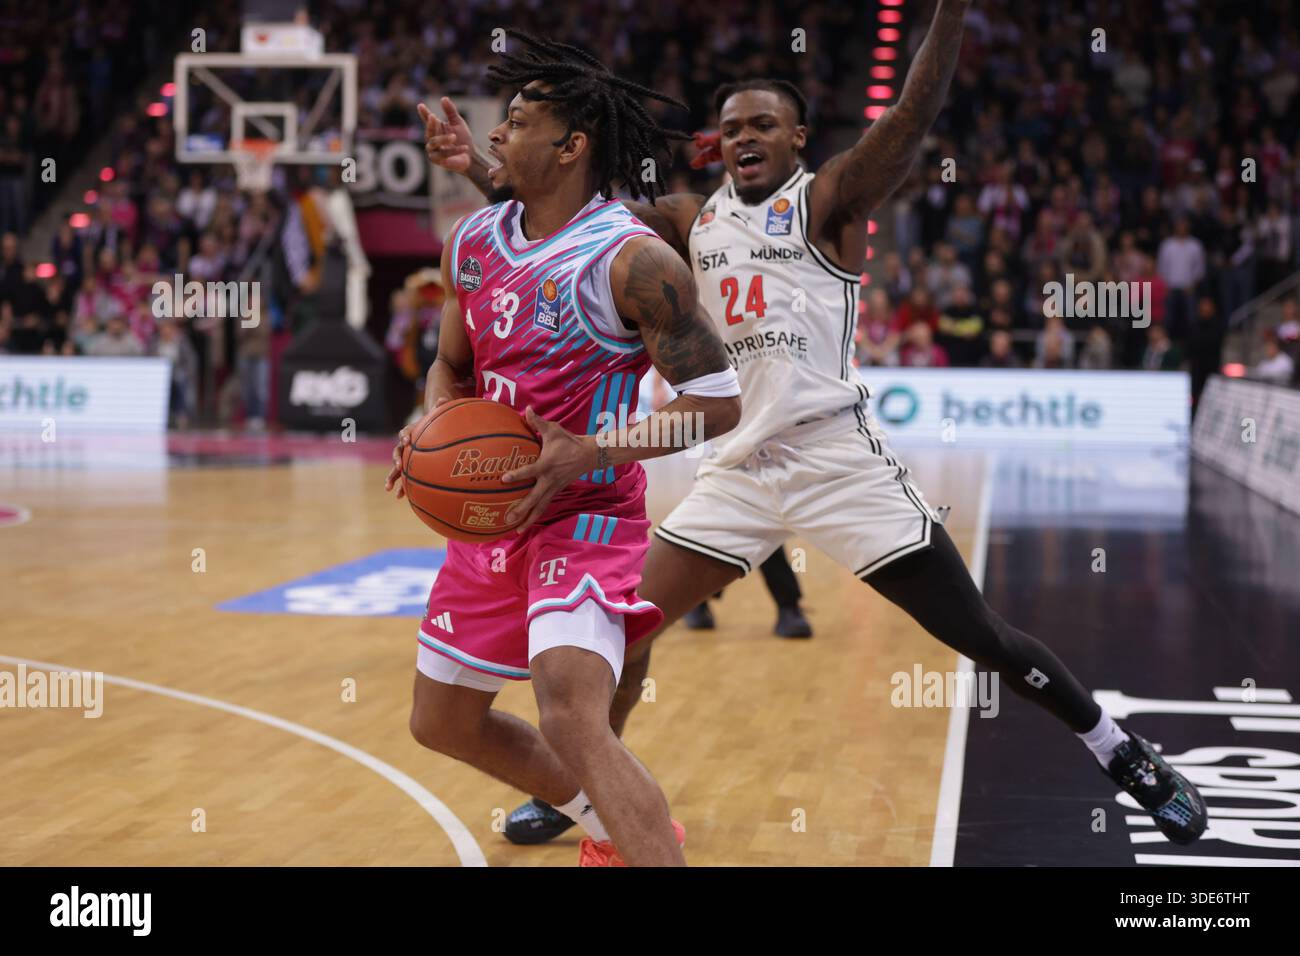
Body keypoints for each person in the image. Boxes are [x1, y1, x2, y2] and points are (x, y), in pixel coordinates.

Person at [427, 0, 1207, 851]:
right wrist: (482, 170)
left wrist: (947, 16)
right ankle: (588, 785)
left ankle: (1117, 749)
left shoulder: (831, 199)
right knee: (619, 624)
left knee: (979, 634)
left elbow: (911, 115)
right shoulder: (690, 220)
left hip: (836, 461)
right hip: (738, 468)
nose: (745, 136)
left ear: (800, 139)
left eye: (765, 123)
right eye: (731, 127)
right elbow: (561, 230)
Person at [389, 33, 741, 867]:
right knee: (439, 722)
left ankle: (641, 844)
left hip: (584, 517)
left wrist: (590, 452)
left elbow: (718, 402)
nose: (496, 136)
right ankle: (615, 828)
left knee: (569, 708)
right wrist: (432, 424)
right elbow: (450, 364)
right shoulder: (472, 242)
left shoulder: (634, 262)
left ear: (572, 145)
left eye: (516, 121)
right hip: (489, 515)